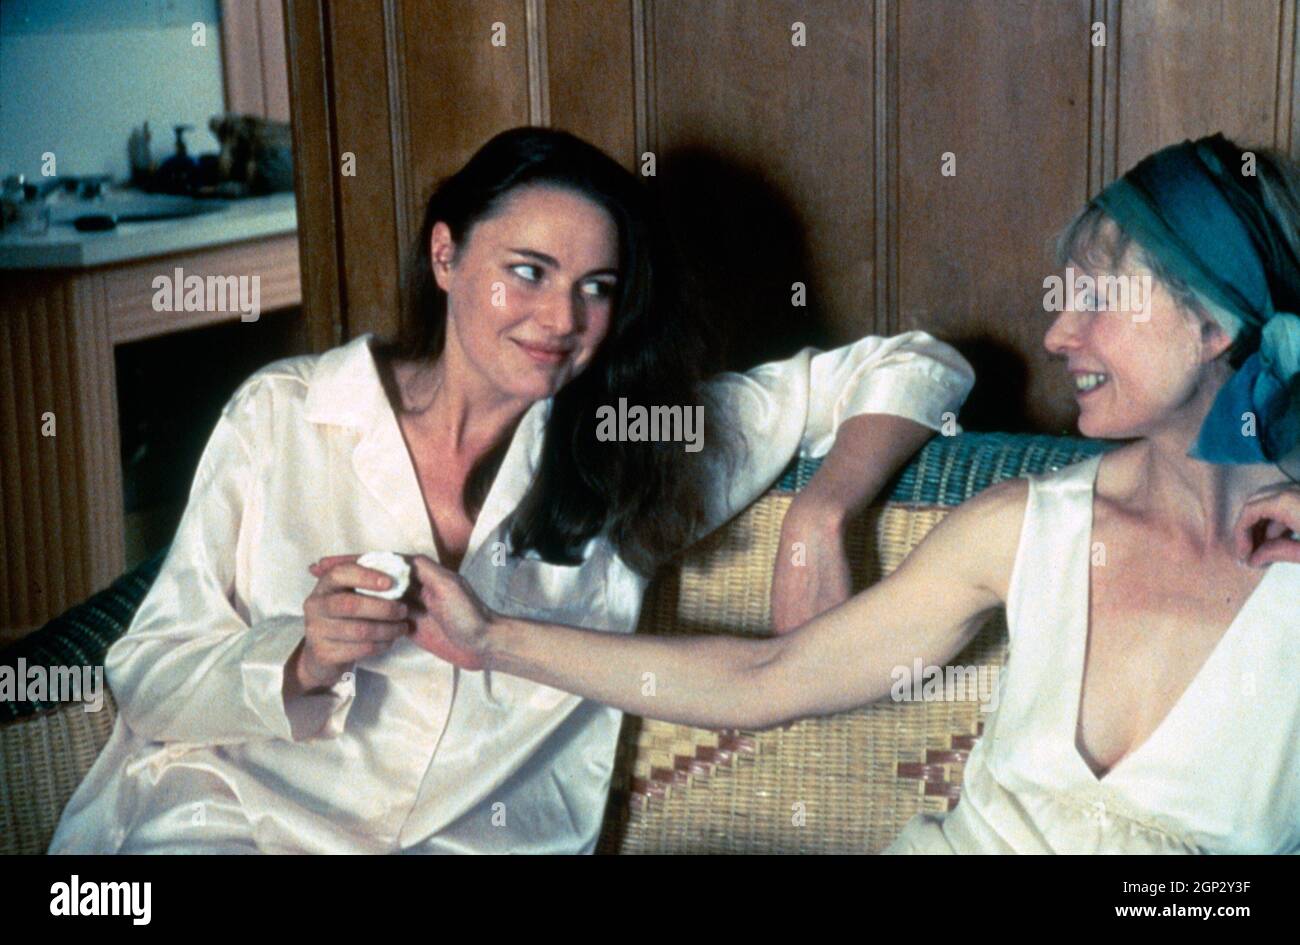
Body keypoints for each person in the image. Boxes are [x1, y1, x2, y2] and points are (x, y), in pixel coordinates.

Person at [48, 127, 974, 854]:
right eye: (526, 272)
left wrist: (822, 513)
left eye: (596, 287)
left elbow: (916, 364)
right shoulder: (285, 415)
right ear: (446, 257)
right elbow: (146, 673)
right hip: (233, 820)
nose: (562, 319)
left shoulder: (634, 445)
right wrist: (300, 660)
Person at [406, 133, 1300, 854]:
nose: (1059, 333)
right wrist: (492, 639)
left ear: (1213, 321)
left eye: (1098, 298)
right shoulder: (1030, 524)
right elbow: (769, 675)